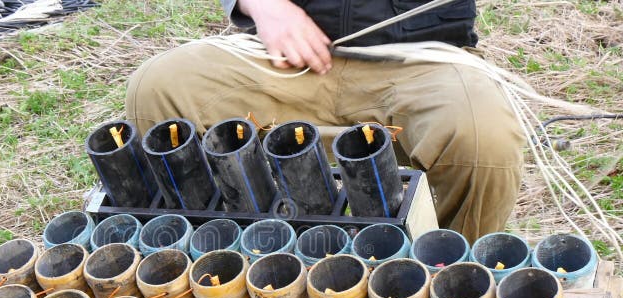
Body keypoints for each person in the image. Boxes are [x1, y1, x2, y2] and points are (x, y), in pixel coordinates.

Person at [125, 0, 525, 242]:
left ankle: (445, 277)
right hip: (289, 58)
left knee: (484, 137)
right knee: (157, 88)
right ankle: (228, 254)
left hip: (422, 60)